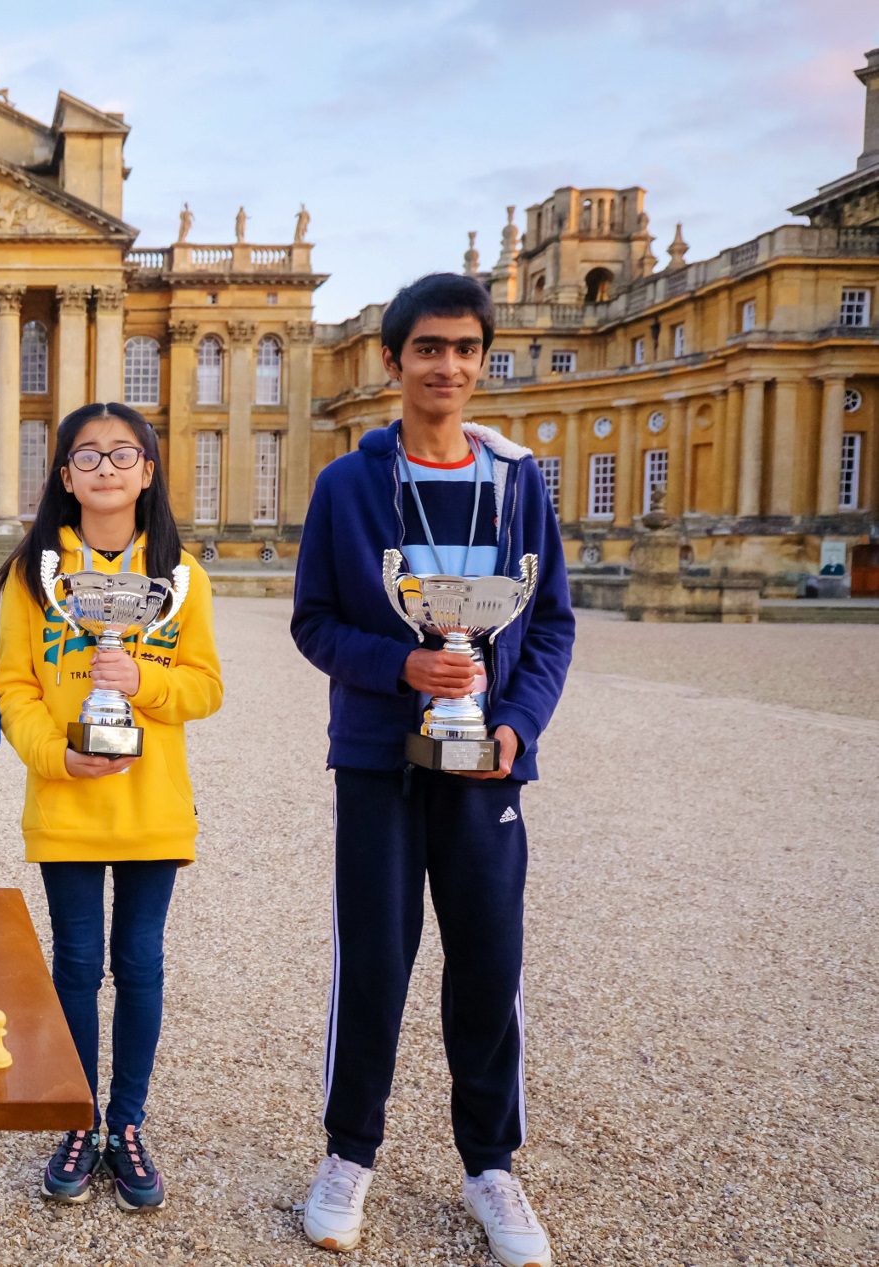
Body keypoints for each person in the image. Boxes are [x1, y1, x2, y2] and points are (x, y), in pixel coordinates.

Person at [290, 273, 574, 1267]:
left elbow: (549, 625)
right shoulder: (347, 484)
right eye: (427, 348)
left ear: (481, 361)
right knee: (372, 960)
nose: (446, 365)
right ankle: (348, 1155)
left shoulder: (518, 481)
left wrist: (517, 725)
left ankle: (490, 1163)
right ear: (392, 362)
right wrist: (399, 664)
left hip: (486, 764)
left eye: (464, 349)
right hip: (376, 755)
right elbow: (313, 623)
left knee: (489, 962)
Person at [0, 402, 223, 1212]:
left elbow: (206, 684)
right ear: (64, 477)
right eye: (86, 456)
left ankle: (125, 1122)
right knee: (78, 964)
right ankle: (77, 1115)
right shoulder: (34, 573)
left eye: (123, 454)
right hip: (68, 801)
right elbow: (12, 686)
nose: (106, 468)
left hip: (153, 807)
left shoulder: (181, 571)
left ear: (149, 470)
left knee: (142, 963)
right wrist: (57, 754)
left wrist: (144, 683)